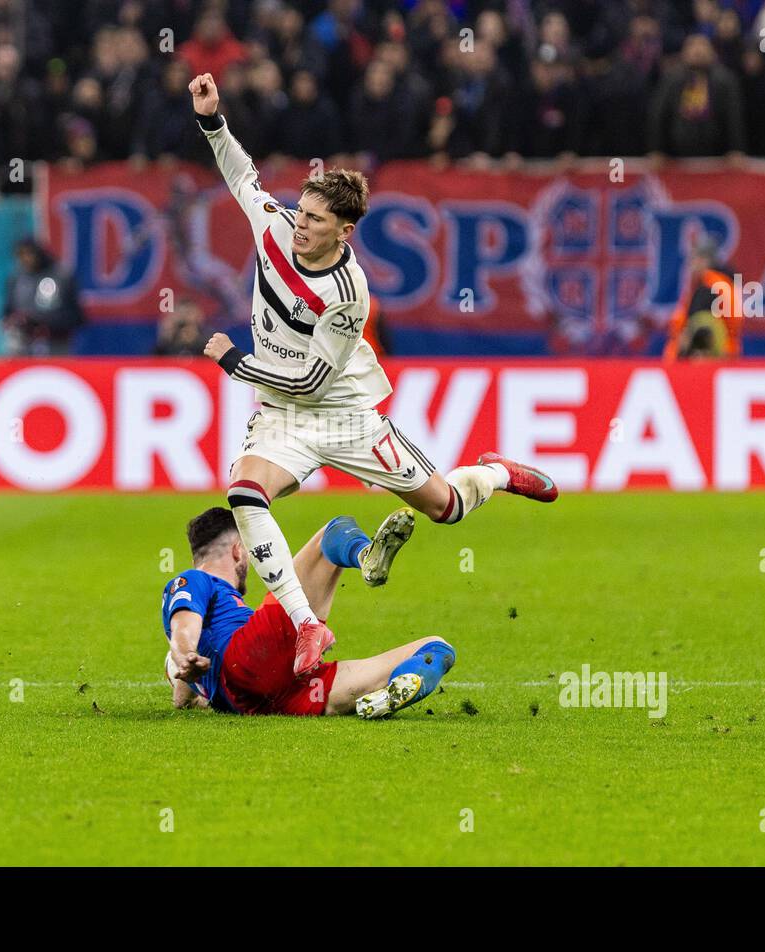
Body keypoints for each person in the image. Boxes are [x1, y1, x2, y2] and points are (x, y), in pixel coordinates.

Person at [187, 71, 558, 679]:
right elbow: (240, 175)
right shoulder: (275, 227)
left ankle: (494, 472)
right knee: (245, 493)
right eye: (300, 212)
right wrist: (212, 120)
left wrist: (232, 359)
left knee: (443, 508)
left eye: (314, 219)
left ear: (344, 230)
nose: (299, 225)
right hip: (283, 419)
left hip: (345, 414)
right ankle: (308, 624)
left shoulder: (348, 293)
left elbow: (311, 383)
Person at [161, 506, 453, 719]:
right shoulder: (194, 579)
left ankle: (387, 695)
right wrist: (184, 653)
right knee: (334, 531)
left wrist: (186, 671)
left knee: (436, 649)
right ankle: (366, 556)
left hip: (271, 698)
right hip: (247, 661)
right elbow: (184, 627)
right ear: (239, 550)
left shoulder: (203, 640)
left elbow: (182, 691)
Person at [664, 235, 742, 361]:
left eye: (692, 258)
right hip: (726, 354)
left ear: (703, 260)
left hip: (708, 358)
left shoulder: (708, 287)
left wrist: (686, 351)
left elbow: (700, 325)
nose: (690, 264)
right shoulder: (722, 283)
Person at [1, 238, 83, 356]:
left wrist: (43, 322)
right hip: (23, 346)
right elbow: (6, 311)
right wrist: (16, 321)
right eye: (21, 255)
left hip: (55, 344)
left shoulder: (60, 277)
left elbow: (75, 316)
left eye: (29, 253)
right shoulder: (17, 279)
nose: (26, 259)